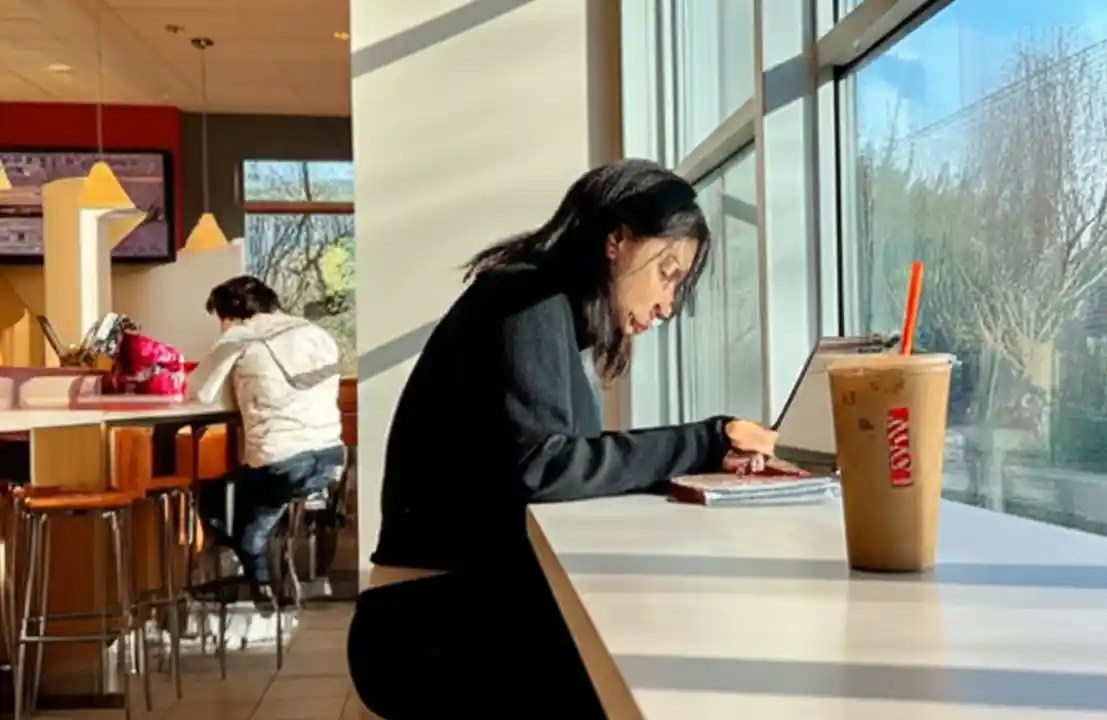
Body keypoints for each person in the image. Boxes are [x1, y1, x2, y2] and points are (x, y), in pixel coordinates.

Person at [346, 159, 796, 718]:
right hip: (426, 623)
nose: (668, 305)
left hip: (451, 604)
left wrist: (707, 449)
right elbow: (544, 466)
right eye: (669, 272)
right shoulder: (526, 298)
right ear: (619, 241)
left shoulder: (543, 312)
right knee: (667, 658)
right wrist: (707, 439)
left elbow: (558, 464)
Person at [186, 275, 346, 606]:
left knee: (213, 491)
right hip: (332, 457)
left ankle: (254, 583)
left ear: (230, 313)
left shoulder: (241, 336)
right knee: (260, 500)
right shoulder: (315, 333)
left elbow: (198, 394)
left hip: (282, 460)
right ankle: (264, 565)